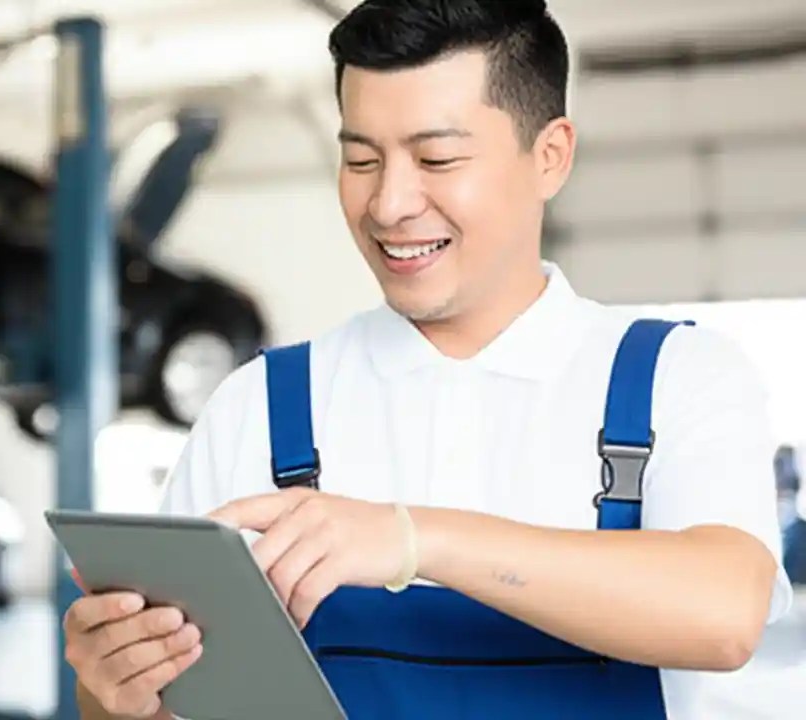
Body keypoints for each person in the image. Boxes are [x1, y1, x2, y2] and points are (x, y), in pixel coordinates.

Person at [61, 1, 793, 718]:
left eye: (437, 157)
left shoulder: (679, 378)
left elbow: (725, 615)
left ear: (550, 156)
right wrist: (113, 693)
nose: (389, 203)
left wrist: (412, 539)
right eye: (360, 159)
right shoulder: (260, 404)